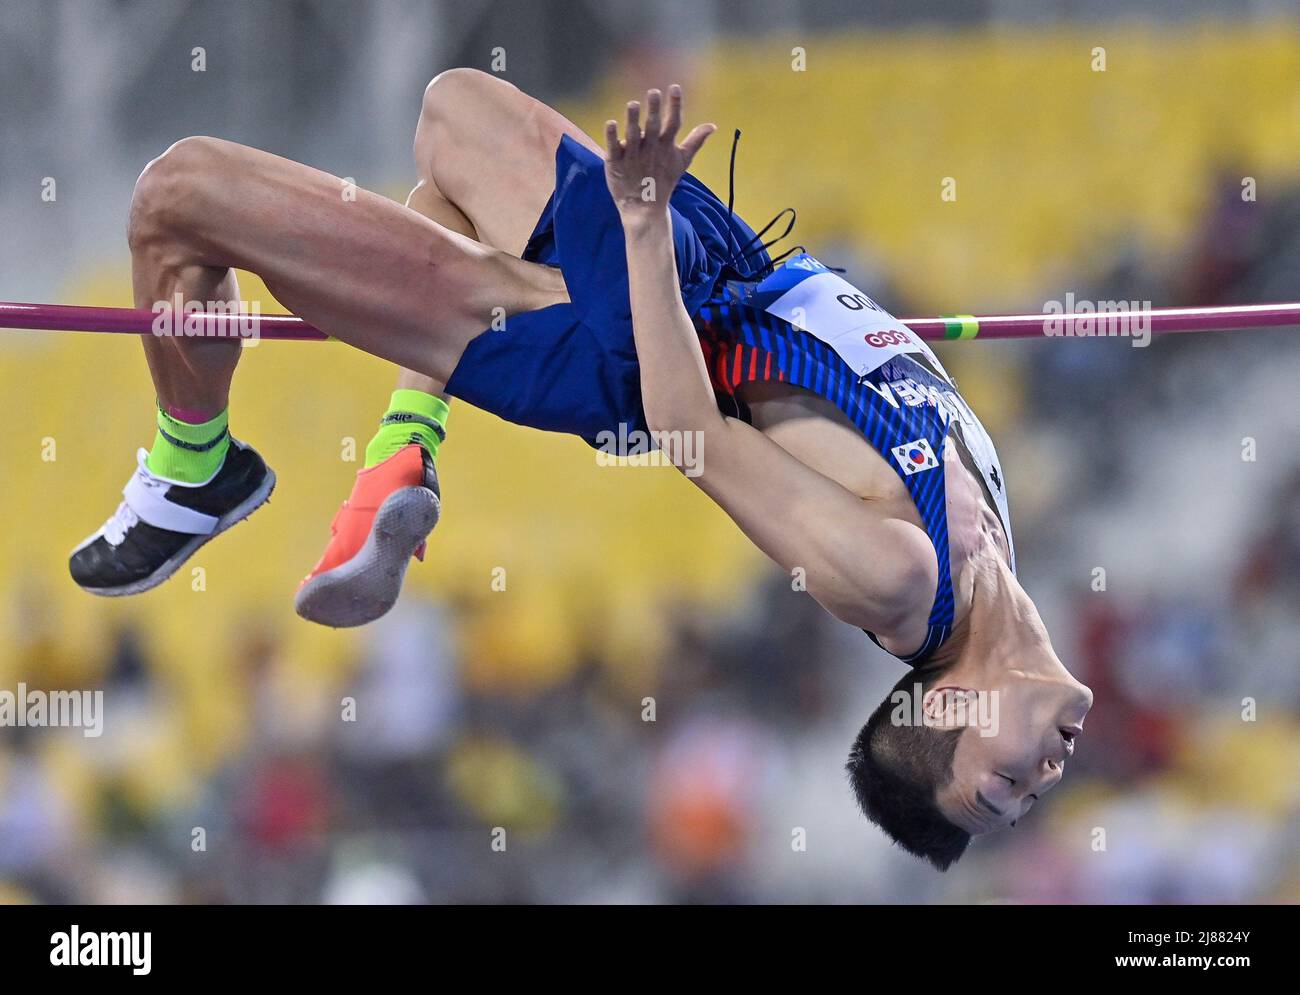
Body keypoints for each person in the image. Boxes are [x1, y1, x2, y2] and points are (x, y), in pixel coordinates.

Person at [68, 69, 1091, 868]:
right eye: (1022, 794)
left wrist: (640, 224)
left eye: (1005, 786)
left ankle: (195, 468)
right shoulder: (995, 536)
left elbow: (684, 428)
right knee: (450, 116)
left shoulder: (897, 578)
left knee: (179, 192)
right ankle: (404, 440)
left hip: (621, 345)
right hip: (715, 270)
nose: (1044, 776)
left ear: (948, 707)